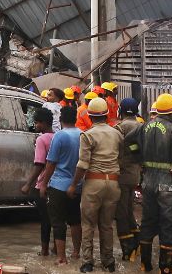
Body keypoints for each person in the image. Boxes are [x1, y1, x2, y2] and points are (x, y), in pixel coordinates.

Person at [125, 93, 172, 274]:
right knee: (170, 224)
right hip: (170, 184)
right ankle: (165, 269)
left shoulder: (145, 126)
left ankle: (145, 265)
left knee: (148, 221)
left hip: (148, 182)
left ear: (157, 110)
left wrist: (139, 159)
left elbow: (128, 140)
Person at [69, 97, 123, 272]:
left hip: (93, 183)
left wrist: (73, 185)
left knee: (88, 225)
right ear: (107, 115)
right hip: (113, 183)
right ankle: (108, 262)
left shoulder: (87, 135)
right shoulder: (117, 134)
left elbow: (83, 164)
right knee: (107, 225)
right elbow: (121, 159)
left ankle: (87, 262)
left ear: (90, 117)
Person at [40, 106, 83, 265]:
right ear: (76, 118)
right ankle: (77, 253)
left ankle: (61, 258)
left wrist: (44, 184)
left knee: (58, 222)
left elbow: (51, 163)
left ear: (61, 119)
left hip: (58, 185)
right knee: (75, 220)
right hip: (77, 185)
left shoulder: (59, 136)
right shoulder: (82, 135)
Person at [20, 107, 56, 257]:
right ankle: (58, 249)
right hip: (58, 184)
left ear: (42, 123)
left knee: (45, 220)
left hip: (43, 183)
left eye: (36, 123)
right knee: (58, 220)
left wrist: (28, 183)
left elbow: (39, 164)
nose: (35, 126)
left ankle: (44, 251)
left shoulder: (42, 139)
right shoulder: (58, 136)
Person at [114, 97, 142, 261]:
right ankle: (137, 241)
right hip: (135, 175)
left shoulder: (120, 127)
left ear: (121, 111)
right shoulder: (142, 125)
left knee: (121, 212)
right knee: (129, 209)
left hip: (122, 174)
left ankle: (128, 247)